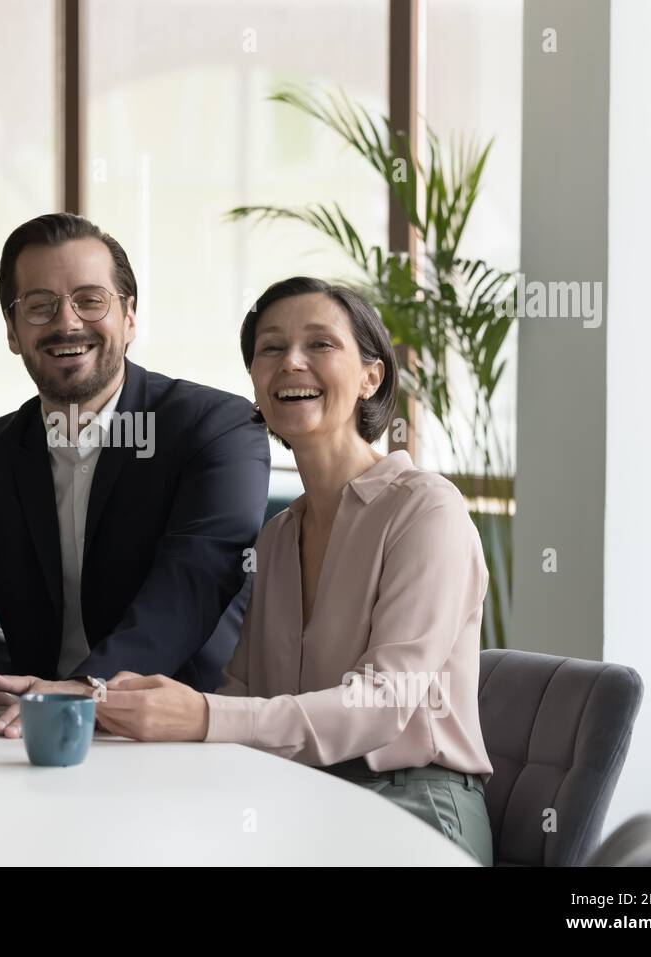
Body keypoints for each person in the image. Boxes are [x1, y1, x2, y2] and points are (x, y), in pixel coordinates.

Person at [95, 277, 494, 865]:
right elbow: (245, 691)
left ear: (370, 377)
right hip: (301, 793)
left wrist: (203, 716)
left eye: (321, 344)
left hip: (415, 805)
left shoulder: (425, 507)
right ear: (256, 382)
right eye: (272, 349)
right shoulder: (279, 535)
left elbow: (385, 702)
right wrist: (109, 704)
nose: (292, 363)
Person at [0, 213, 270, 737]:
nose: (67, 322)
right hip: (39, 733)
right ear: (12, 332)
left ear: (128, 317)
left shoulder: (214, 427)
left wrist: (89, 687)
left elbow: (194, 579)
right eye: (39, 306)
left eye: (90, 299)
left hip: (182, 733)